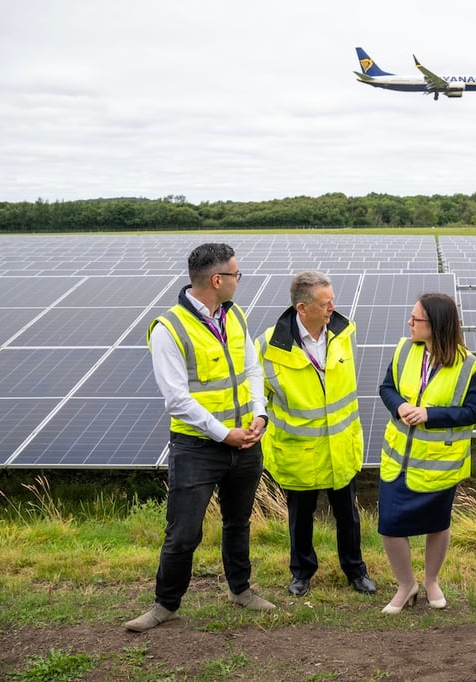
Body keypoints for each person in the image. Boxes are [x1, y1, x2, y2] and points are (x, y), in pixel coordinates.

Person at [125, 243, 273, 632]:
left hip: (246, 441)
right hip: (197, 448)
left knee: (238, 522)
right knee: (184, 531)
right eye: (237, 275)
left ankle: (240, 589)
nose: (240, 282)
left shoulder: (235, 315)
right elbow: (176, 399)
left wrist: (259, 413)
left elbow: (251, 368)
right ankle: (165, 604)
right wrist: (224, 434)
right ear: (217, 279)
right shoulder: (168, 329)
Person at [255, 271, 375, 597]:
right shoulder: (269, 346)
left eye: (332, 300)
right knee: (301, 517)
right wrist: (259, 422)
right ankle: (302, 573)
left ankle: (355, 570)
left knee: (348, 514)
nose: (332, 308)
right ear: (302, 308)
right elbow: (257, 396)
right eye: (325, 303)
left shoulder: (343, 332)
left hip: (340, 444)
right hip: (300, 449)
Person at [377, 292, 476, 614]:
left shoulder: (470, 366)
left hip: (439, 464)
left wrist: (430, 414)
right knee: (390, 526)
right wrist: (401, 407)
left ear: (436, 325)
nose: (409, 323)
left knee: (437, 524)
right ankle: (405, 584)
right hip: (398, 460)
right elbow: (387, 388)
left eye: (416, 319)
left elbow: (472, 412)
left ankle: (432, 581)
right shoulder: (404, 350)